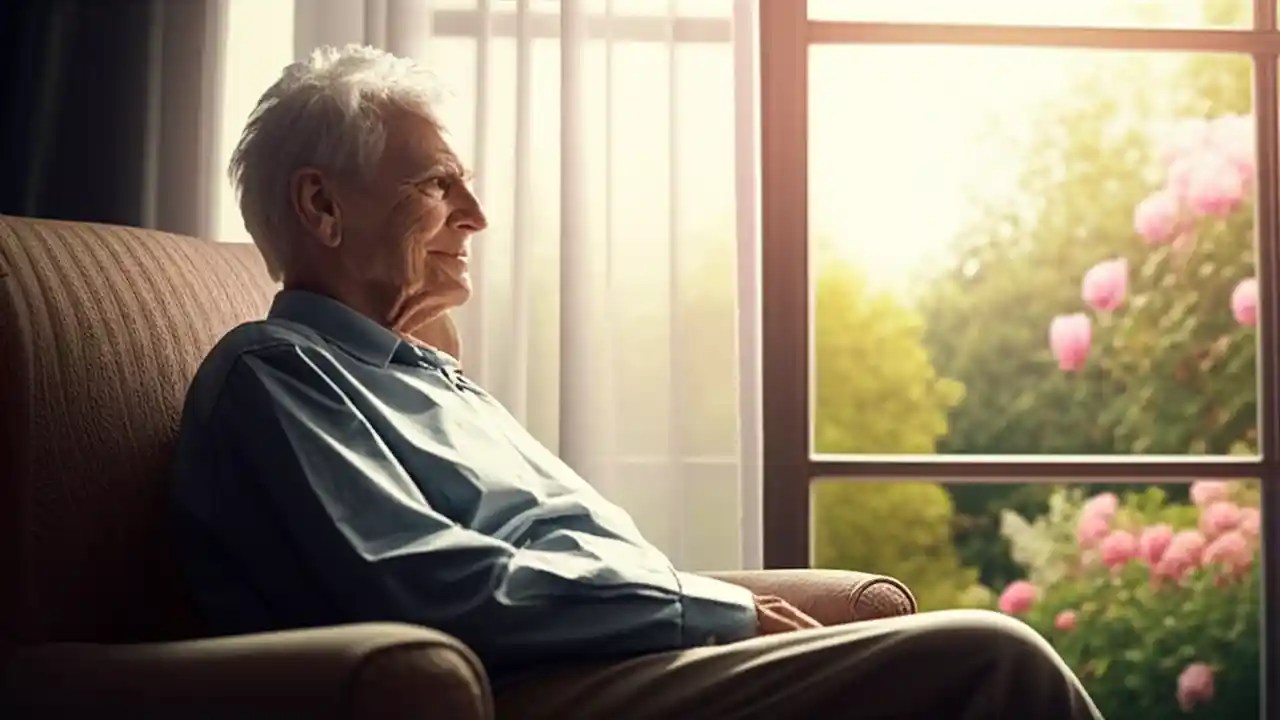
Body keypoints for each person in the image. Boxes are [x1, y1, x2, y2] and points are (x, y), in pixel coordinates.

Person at [170, 44, 1103, 719]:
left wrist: (698, 611)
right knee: (993, 658)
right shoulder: (280, 376)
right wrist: (713, 612)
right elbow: (430, 586)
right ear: (321, 204)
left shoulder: (435, 379)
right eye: (438, 186)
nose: (478, 216)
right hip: (529, 685)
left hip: (616, 656)